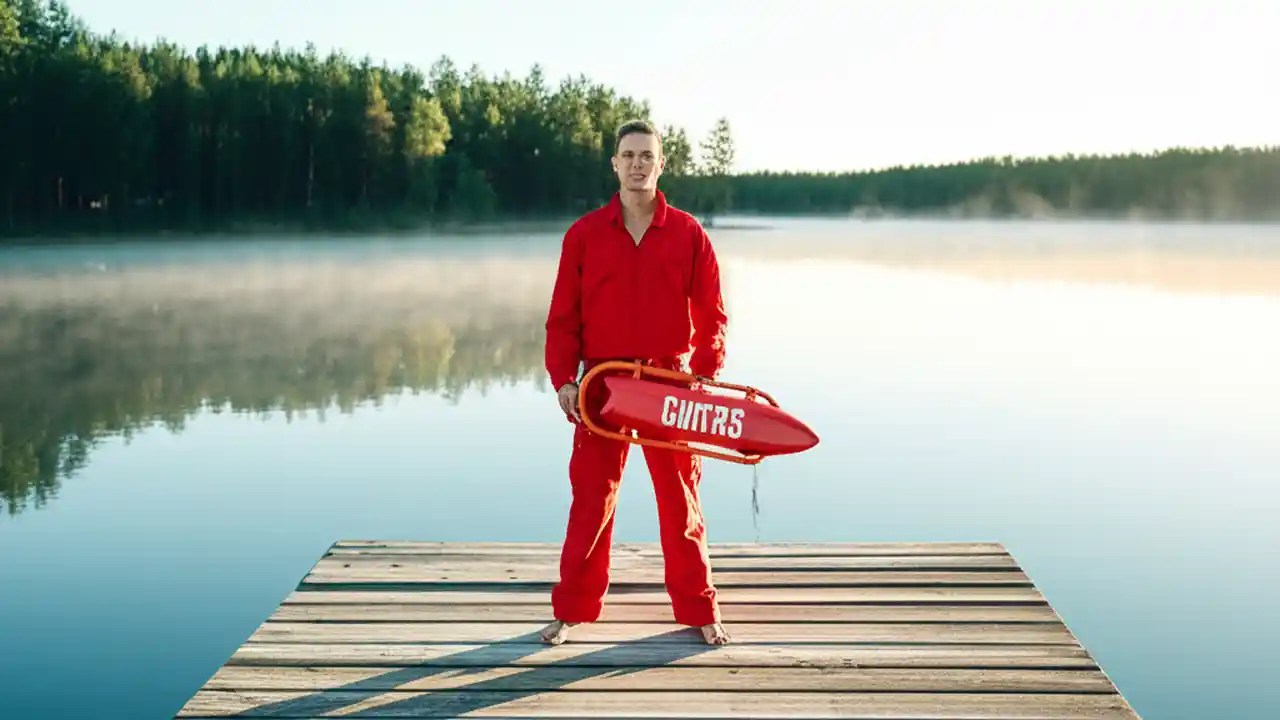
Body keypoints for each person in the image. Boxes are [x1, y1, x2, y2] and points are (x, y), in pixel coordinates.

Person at [540, 120, 731, 646]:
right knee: (592, 500)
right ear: (615, 164)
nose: (638, 163)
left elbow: (712, 315)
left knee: (680, 498)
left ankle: (699, 608)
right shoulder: (583, 235)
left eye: (647, 155)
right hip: (602, 385)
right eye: (628, 155)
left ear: (661, 164)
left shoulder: (690, 233)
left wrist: (705, 371)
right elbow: (563, 318)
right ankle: (572, 609)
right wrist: (563, 381)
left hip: (670, 385)